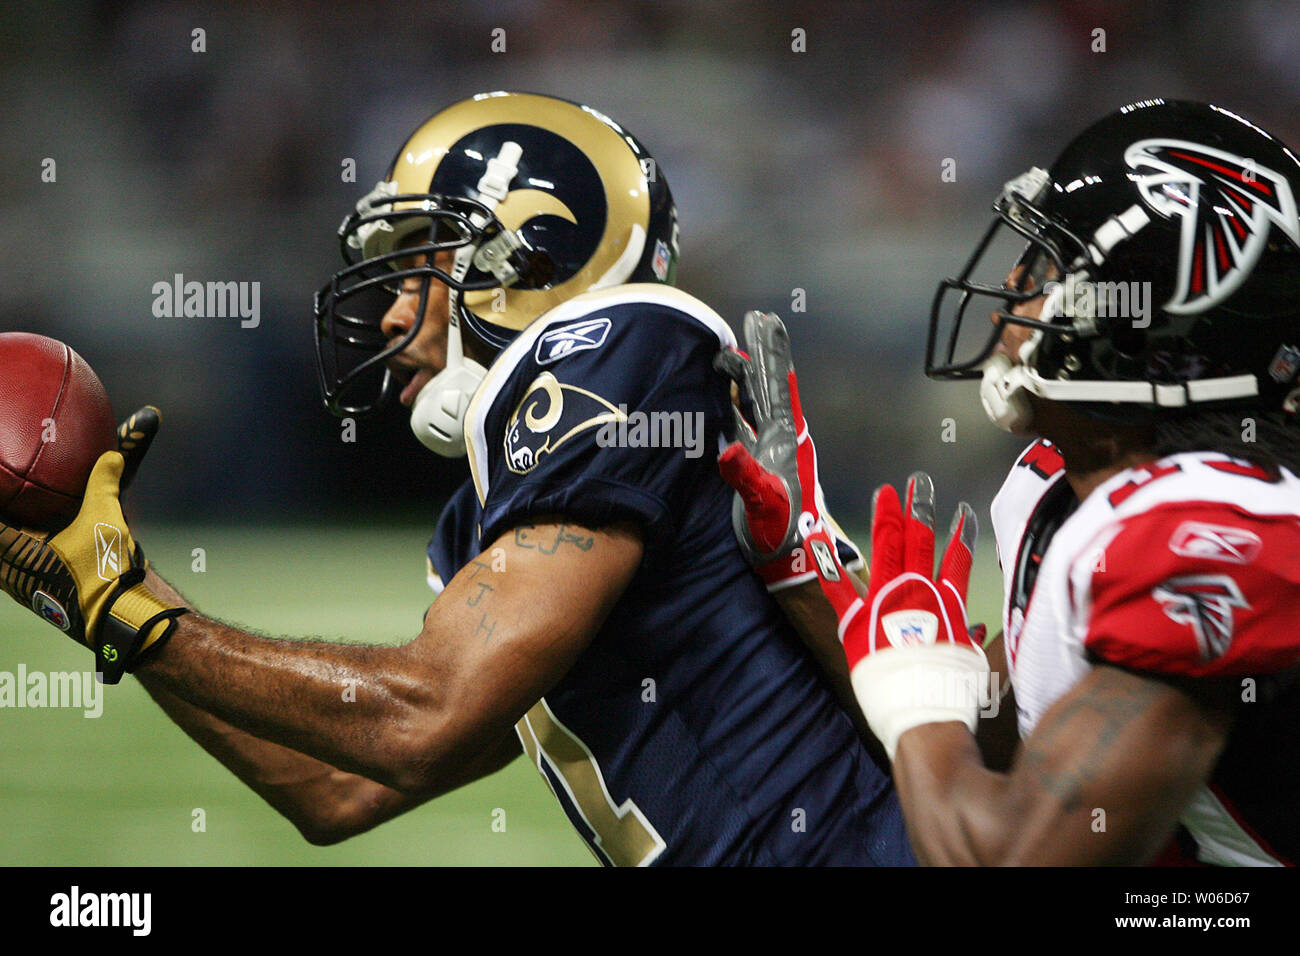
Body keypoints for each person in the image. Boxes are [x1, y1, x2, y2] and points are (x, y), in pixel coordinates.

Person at [0, 91, 913, 866]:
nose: (396, 304)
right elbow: (336, 790)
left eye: (425, 251)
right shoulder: (492, 511)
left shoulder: (627, 342)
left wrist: (137, 616)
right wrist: (110, 589)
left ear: (532, 258)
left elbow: (427, 712)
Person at [719, 99, 1300, 865]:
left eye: (1050, 266)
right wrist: (810, 568)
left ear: (1148, 324)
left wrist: (922, 701)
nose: (1014, 285)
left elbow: (1016, 854)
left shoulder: (1216, 526)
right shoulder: (1067, 486)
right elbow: (1001, 747)